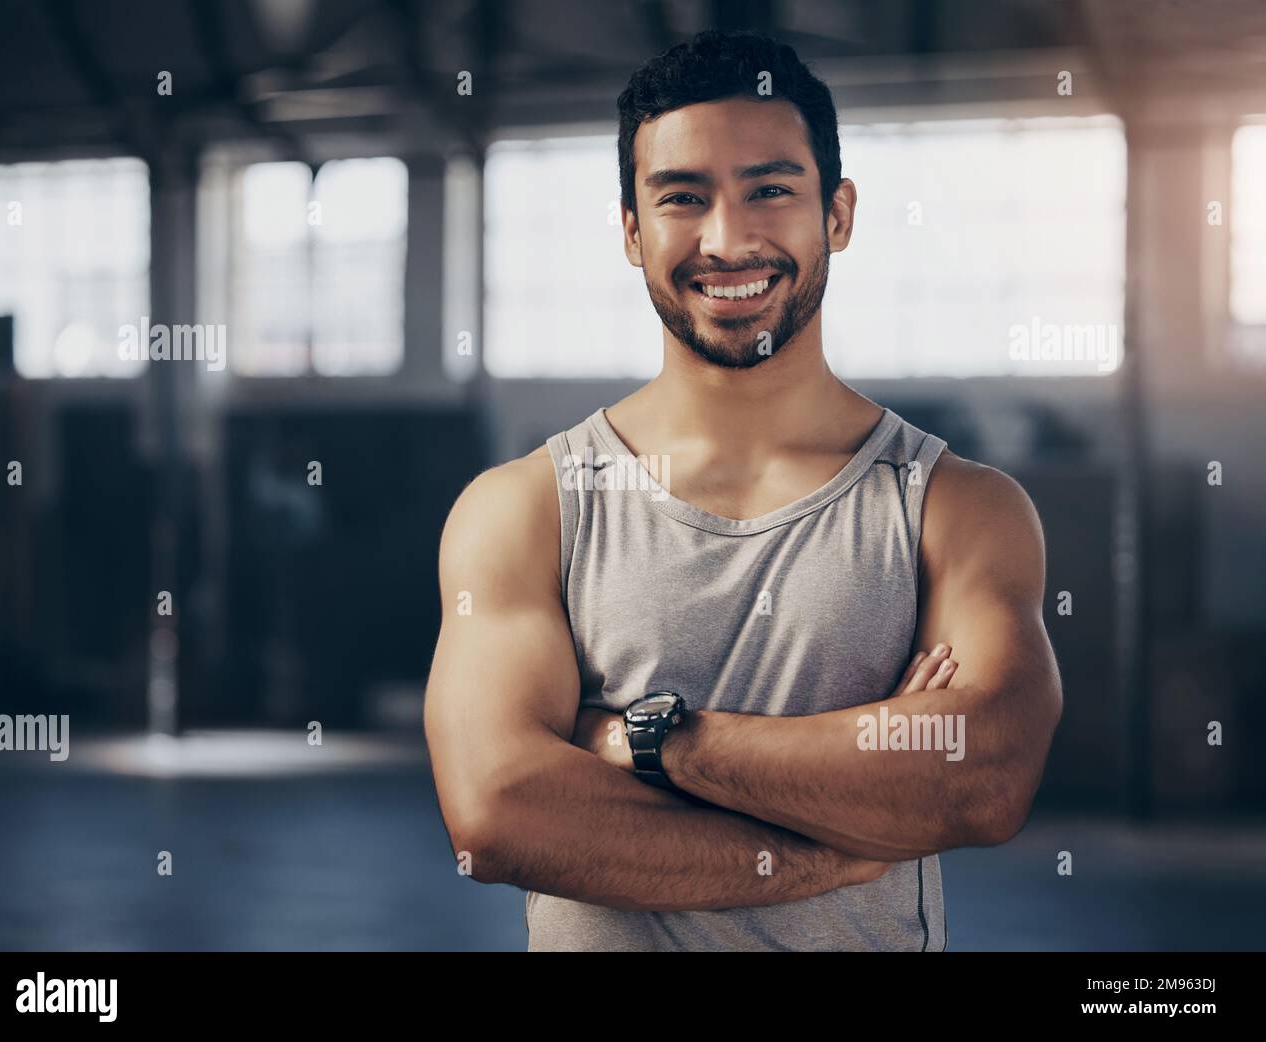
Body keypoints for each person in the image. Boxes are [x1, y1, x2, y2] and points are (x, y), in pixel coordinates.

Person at [424, 29, 1062, 951]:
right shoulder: (526, 510)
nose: (728, 240)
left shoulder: (956, 508)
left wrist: (645, 742)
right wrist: (843, 839)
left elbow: (981, 777)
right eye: (684, 198)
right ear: (633, 232)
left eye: (770, 190)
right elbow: (497, 815)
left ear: (836, 214)